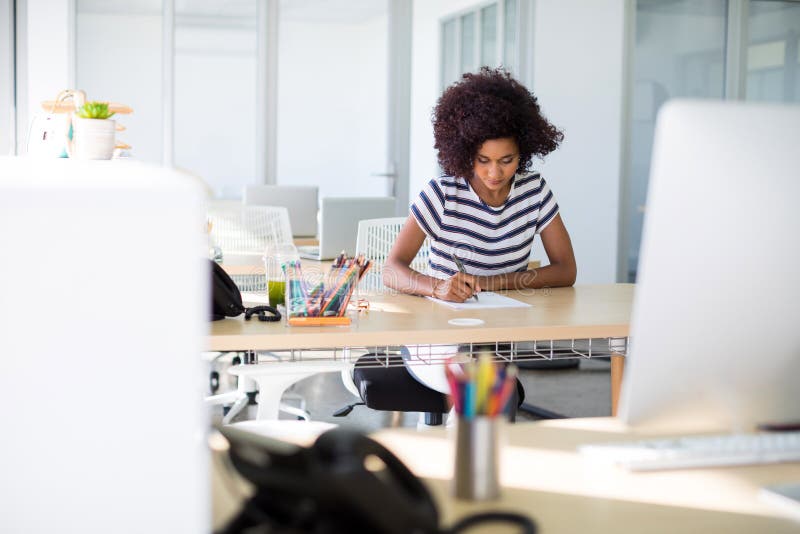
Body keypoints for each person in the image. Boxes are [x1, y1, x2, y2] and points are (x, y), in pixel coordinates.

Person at [384, 67, 577, 302]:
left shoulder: (534, 191)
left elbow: (566, 270)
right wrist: (439, 288)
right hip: (446, 319)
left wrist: (489, 283)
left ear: (523, 152)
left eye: (507, 160)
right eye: (483, 160)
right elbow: (391, 270)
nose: (495, 173)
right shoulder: (443, 194)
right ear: (466, 153)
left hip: (508, 319)